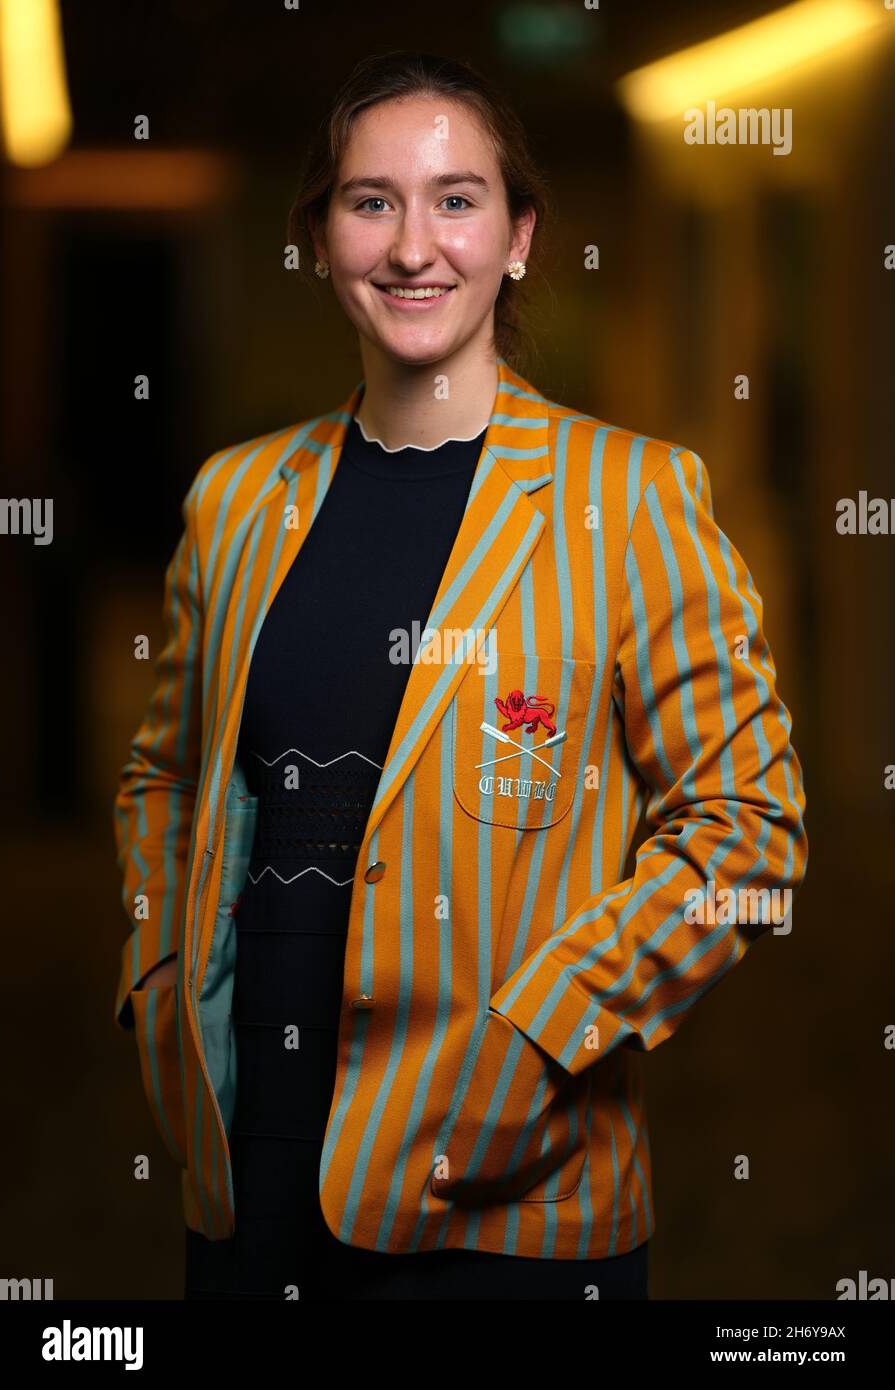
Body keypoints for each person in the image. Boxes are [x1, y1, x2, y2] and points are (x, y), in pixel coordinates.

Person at [112, 50, 808, 1301]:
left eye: (457, 198)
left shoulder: (633, 499)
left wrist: (538, 1037)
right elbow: (165, 775)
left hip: (511, 1194)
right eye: (371, 200)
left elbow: (749, 835)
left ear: (520, 235)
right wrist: (162, 983)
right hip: (249, 1167)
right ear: (322, 235)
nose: (412, 245)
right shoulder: (234, 499)